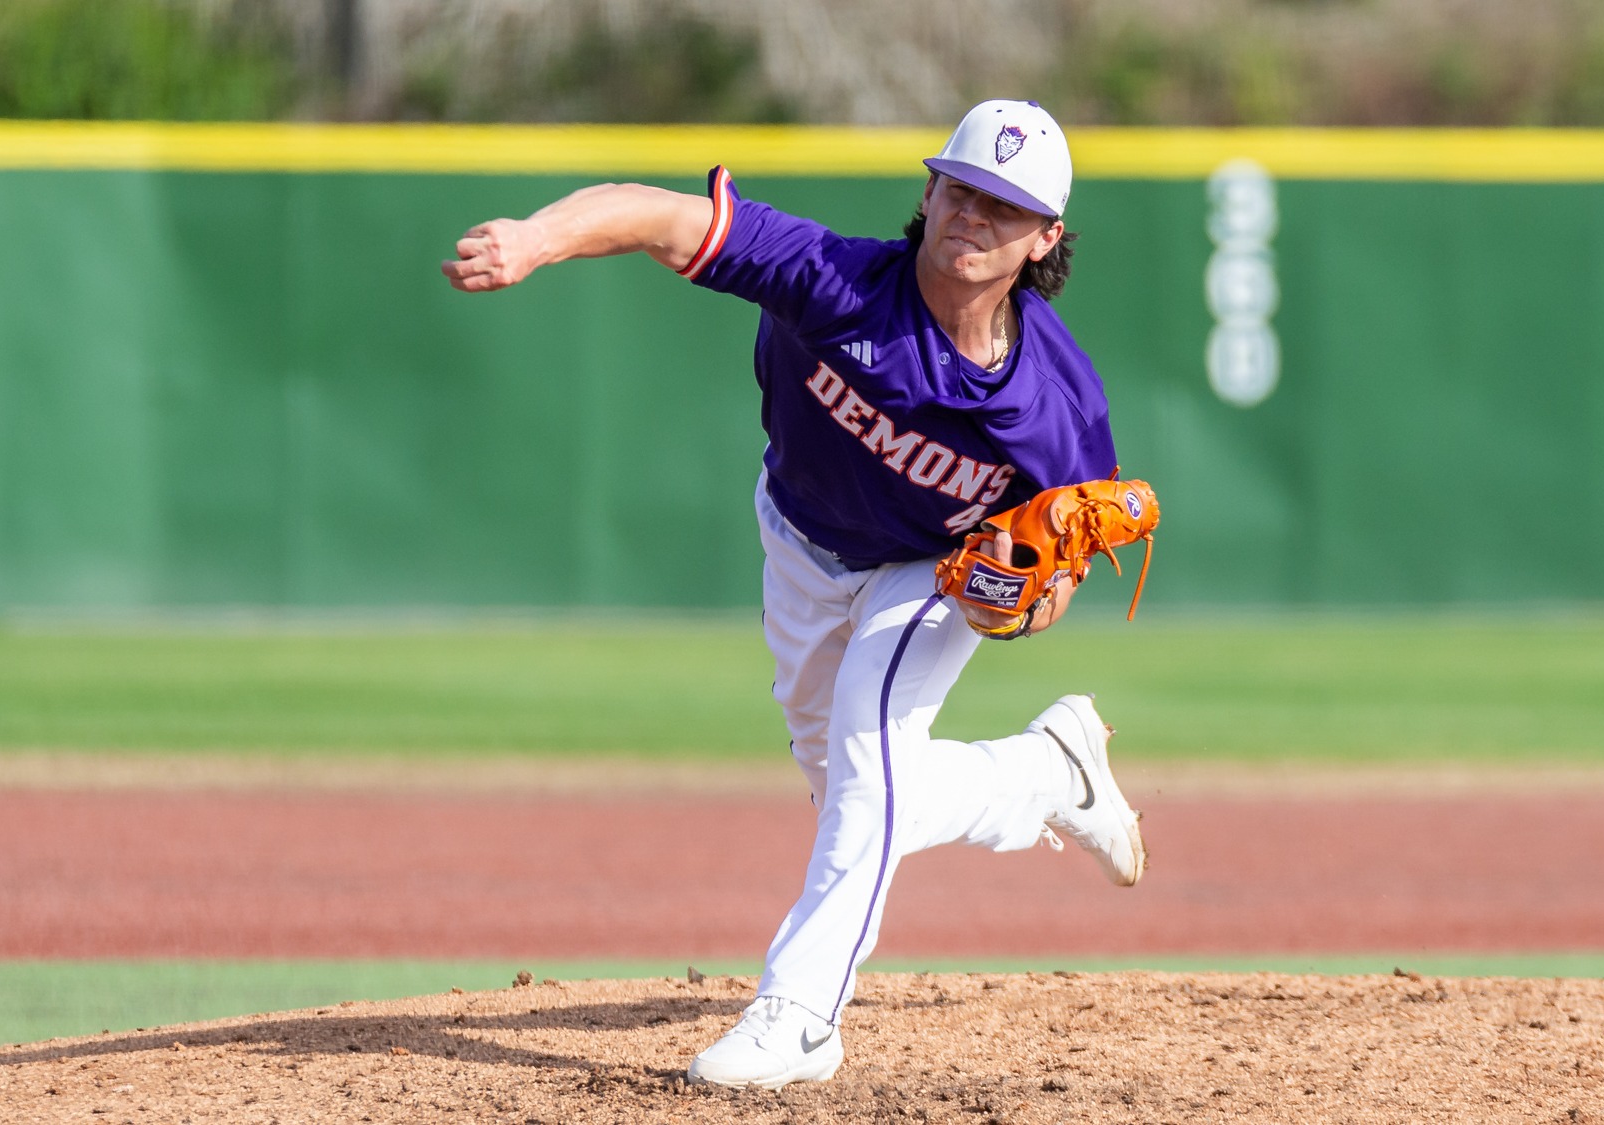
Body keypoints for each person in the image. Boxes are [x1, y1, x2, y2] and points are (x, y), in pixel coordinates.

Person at [442, 100, 1144, 1089]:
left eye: (1004, 206)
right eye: (960, 188)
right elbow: (654, 215)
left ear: (1044, 239)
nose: (972, 217)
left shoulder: (1055, 407)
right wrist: (534, 239)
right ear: (929, 190)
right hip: (798, 545)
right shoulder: (837, 281)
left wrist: (1020, 604)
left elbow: (1059, 568)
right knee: (853, 796)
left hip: (927, 576)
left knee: (867, 759)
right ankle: (1044, 774)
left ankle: (799, 1018)